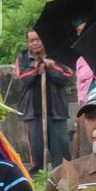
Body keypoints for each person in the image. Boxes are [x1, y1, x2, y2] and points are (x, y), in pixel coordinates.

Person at [15, 28, 73, 172]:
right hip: (32, 111)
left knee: (61, 148)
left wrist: (51, 67)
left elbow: (67, 76)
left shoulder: (57, 56)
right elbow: (23, 78)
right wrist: (36, 69)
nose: (35, 43)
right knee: (37, 149)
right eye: (31, 40)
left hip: (56, 110)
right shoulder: (22, 58)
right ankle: (38, 178)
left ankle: (63, 177)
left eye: (38, 39)